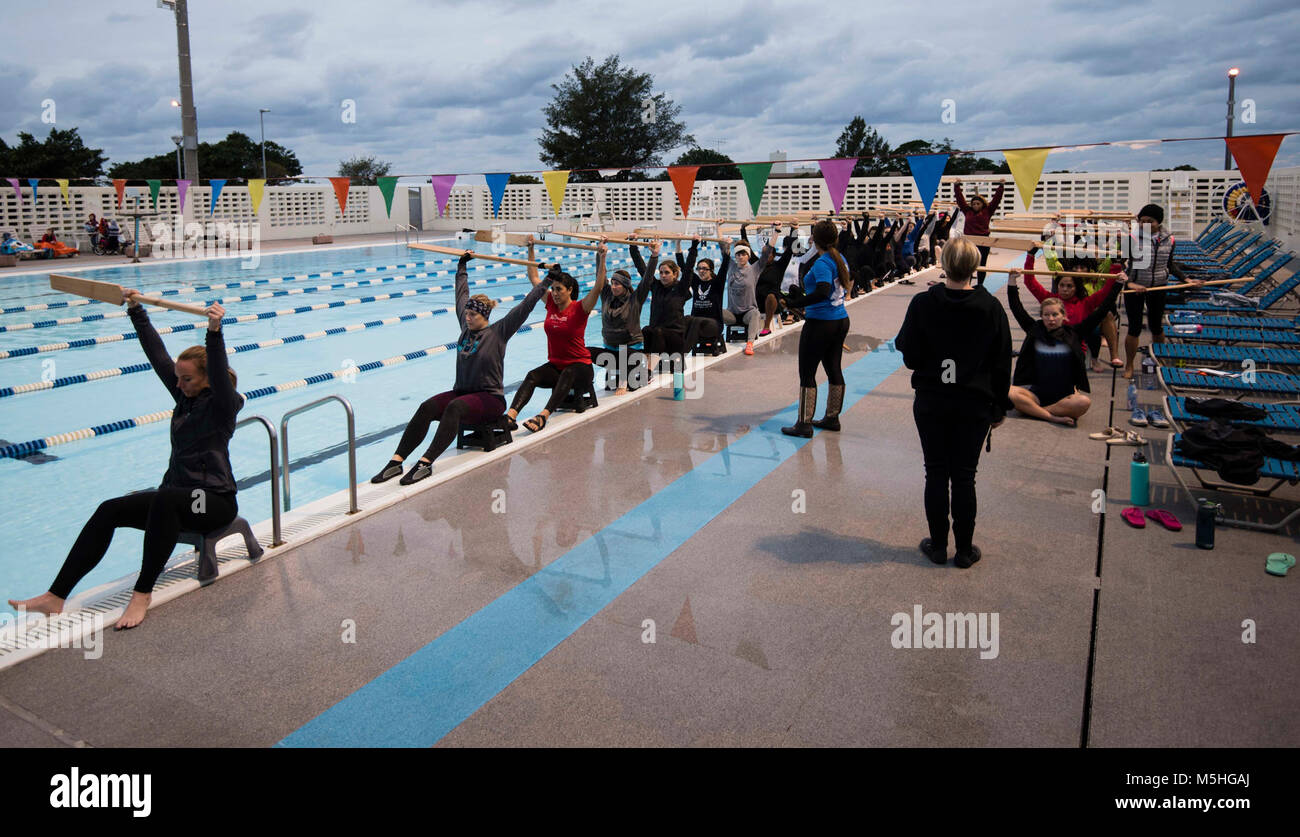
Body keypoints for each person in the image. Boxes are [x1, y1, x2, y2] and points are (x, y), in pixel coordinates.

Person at [8, 295, 240, 629]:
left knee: (165, 497)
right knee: (110, 509)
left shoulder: (223, 406)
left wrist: (214, 332)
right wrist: (136, 312)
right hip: (176, 500)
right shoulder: (183, 399)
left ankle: (142, 594)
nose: (178, 384)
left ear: (206, 379)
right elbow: (157, 356)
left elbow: (219, 371)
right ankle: (55, 596)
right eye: (177, 378)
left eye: (186, 379)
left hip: (213, 501)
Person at [371, 250, 551, 485]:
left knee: (454, 407)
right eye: (467, 313)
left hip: (490, 399)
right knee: (426, 407)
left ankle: (425, 463)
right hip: (463, 394)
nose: (467, 317)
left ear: (484, 315)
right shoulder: (465, 329)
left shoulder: (499, 332)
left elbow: (525, 306)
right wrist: (461, 267)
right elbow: (461, 294)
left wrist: (548, 280)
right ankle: (396, 462)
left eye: (473, 314)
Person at [894, 238, 1012, 569]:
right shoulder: (990, 307)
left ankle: (937, 545)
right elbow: (1002, 362)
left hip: (933, 400)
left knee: (935, 473)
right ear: (975, 267)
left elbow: (909, 353)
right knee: (964, 476)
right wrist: (999, 406)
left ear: (943, 264)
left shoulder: (922, 303)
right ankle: (963, 549)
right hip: (973, 404)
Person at [505, 240, 606, 433]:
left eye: (559, 289)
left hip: (581, 367)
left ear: (569, 290)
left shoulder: (580, 308)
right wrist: (530, 249)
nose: (555, 293)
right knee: (532, 376)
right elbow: (534, 278)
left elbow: (598, 287)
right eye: (553, 289)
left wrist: (602, 257)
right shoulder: (551, 303)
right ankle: (510, 416)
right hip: (557, 366)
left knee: (569, 373)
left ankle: (543, 416)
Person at [1004, 266, 1125, 427]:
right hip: (1037, 393)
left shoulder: (1075, 333)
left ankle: (1036, 411)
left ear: (1064, 316)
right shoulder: (1035, 330)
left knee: (1083, 402)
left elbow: (1102, 310)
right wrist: (1012, 281)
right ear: (1041, 316)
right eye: (1046, 315)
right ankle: (1051, 416)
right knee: (1007, 391)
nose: (1051, 319)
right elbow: (1016, 307)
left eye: (1055, 315)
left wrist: (1117, 284)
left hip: (1064, 396)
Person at [780, 219, 853, 436]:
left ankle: (804, 423)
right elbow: (828, 292)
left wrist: (794, 303)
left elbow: (822, 291)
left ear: (815, 239)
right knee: (834, 369)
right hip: (840, 319)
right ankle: (832, 418)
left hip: (821, 323)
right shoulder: (840, 259)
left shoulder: (822, 263)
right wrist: (801, 296)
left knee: (807, 373)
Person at [1121, 203, 1191, 379]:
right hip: (1134, 287)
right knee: (1134, 328)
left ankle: (1160, 360)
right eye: (1141, 220)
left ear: (1159, 222)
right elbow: (1119, 265)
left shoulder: (1170, 239)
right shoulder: (1132, 238)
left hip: (1159, 286)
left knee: (1157, 327)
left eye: (1149, 221)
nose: (1144, 224)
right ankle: (1129, 365)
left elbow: (1170, 265)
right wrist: (1130, 283)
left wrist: (1187, 279)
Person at [592, 240, 658, 393]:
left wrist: (654, 256)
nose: (613, 287)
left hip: (631, 350)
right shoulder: (606, 295)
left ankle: (626, 380)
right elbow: (599, 276)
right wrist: (600, 256)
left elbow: (647, 279)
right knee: (584, 352)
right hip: (611, 350)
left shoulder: (635, 298)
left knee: (625, 354)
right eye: (612, 283)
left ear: (625, 285)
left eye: (617, 284)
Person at [631, 238, 692, 376]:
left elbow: (689, 270)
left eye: (667, 273)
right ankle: (647, 365)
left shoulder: (680, 289)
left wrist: (693, 246)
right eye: (661, 272)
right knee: (646, 330)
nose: (663, 276)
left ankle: (648, 372)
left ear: (675, 274)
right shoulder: (656, 286)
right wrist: (633, 246)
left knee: (657, 331)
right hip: (658, 334)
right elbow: (642, 269)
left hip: (675, 335)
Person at [678, 235, 728, 355]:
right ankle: (673, 349)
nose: (701, 271)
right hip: (697, 323)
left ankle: (682, 353)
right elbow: (684, 266)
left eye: (705, 269)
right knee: (684, 319)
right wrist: (678, 243)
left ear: (711, 270)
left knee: (695, 321)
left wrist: (727, 247)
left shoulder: (717, 283)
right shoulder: (696, 282)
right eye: (699, 268)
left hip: (714, 325)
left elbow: (725, 265)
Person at [723, 231, 770, 355]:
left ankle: (750, 344)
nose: (740, 257)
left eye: (743, 254)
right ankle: (714, 338)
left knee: (756, 313)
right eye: (738, 254)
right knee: (715, 309)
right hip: (731, 314)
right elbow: (724, 250)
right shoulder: (731, 267)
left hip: (747, 314)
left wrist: (776, 231)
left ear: (748, 256)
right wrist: (719, 228)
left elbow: (766, 254)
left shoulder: (755, 269)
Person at [953, 178, 1005, 285]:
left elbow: (996, 200)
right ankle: (967, 284)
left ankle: (980, 286)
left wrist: (1001, 186)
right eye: (974, 204)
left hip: (983, 241)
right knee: (968, 264)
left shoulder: (988, 210)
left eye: (978, 203)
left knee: (981, 265)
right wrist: (957, 186)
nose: (976, 205)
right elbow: (960, 200)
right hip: (969, 241)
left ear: (982, 204)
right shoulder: (967, 211)